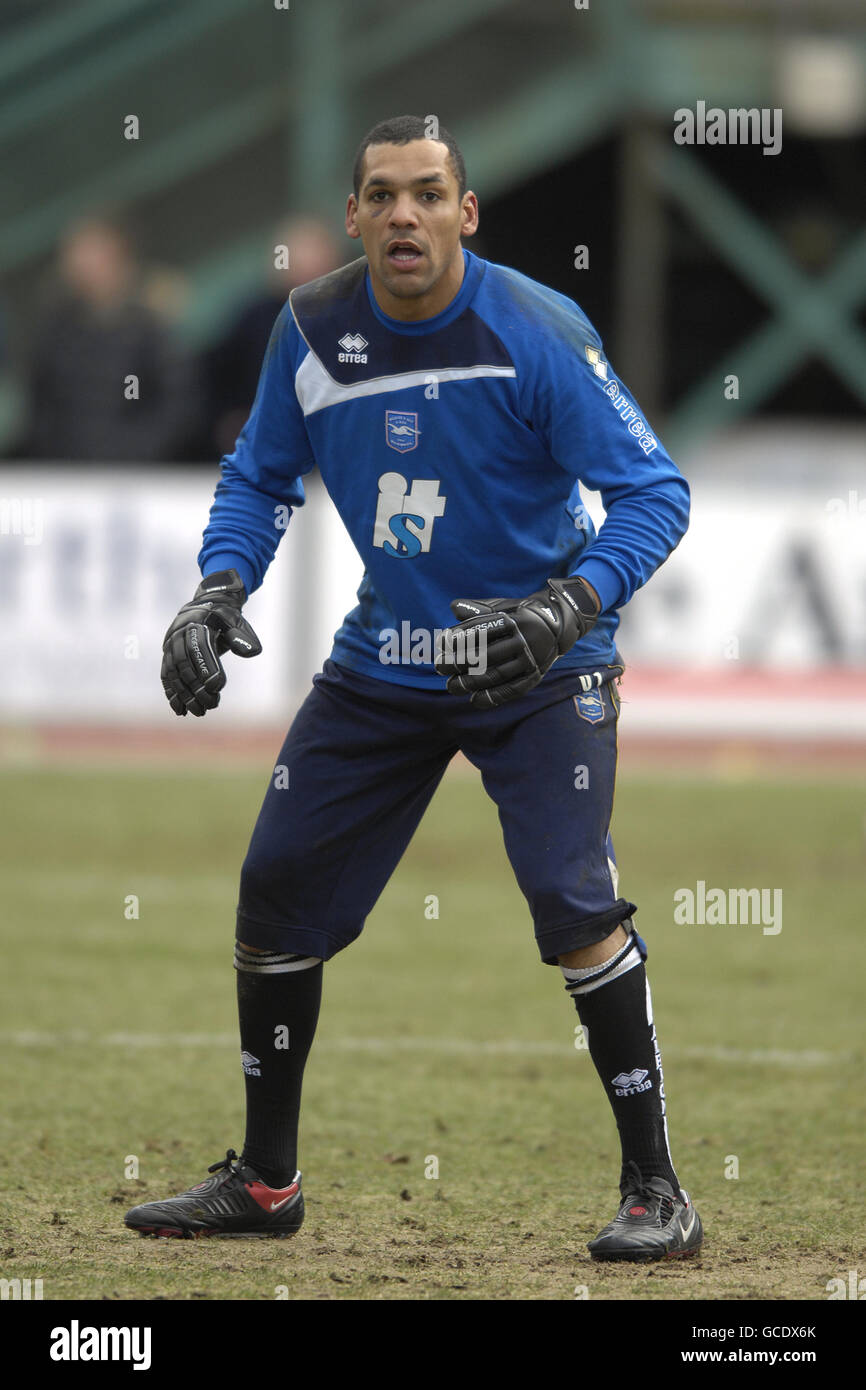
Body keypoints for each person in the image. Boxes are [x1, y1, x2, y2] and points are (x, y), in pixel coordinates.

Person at [126, 115, 701, 1263]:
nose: (404, 214)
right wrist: (215, 587)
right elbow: (258, 475)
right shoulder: (308, 328)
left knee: (573, 904)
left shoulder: (535, 330)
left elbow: (653, 492)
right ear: (352, 216)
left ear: (464, 213)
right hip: (388, 661)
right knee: (273, 896)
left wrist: (564, 608)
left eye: (428, 194)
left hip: (541, 666)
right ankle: (267, 1184)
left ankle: (657, 1190)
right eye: (382, 194)